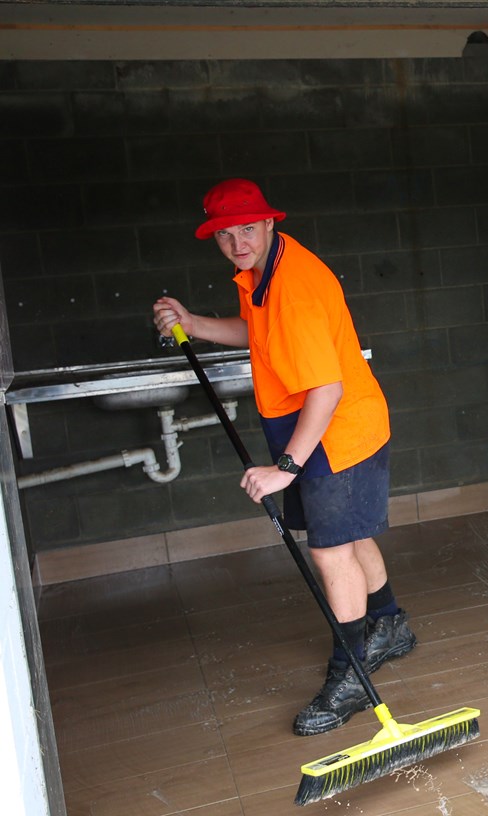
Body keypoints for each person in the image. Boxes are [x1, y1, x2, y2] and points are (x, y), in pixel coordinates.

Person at [152, 178, 417, 736]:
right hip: (315, 429)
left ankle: (350, 674)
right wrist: (194, 325)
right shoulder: (261, 273)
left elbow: (326, 391)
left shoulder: (294, 285)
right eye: (224, 233)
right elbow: (256, 331)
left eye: (247, 227)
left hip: (336, 431)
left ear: (270, 222)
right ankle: (388, 623)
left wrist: (286, 468)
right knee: (346, 533)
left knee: (329, 550)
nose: (237, 241)